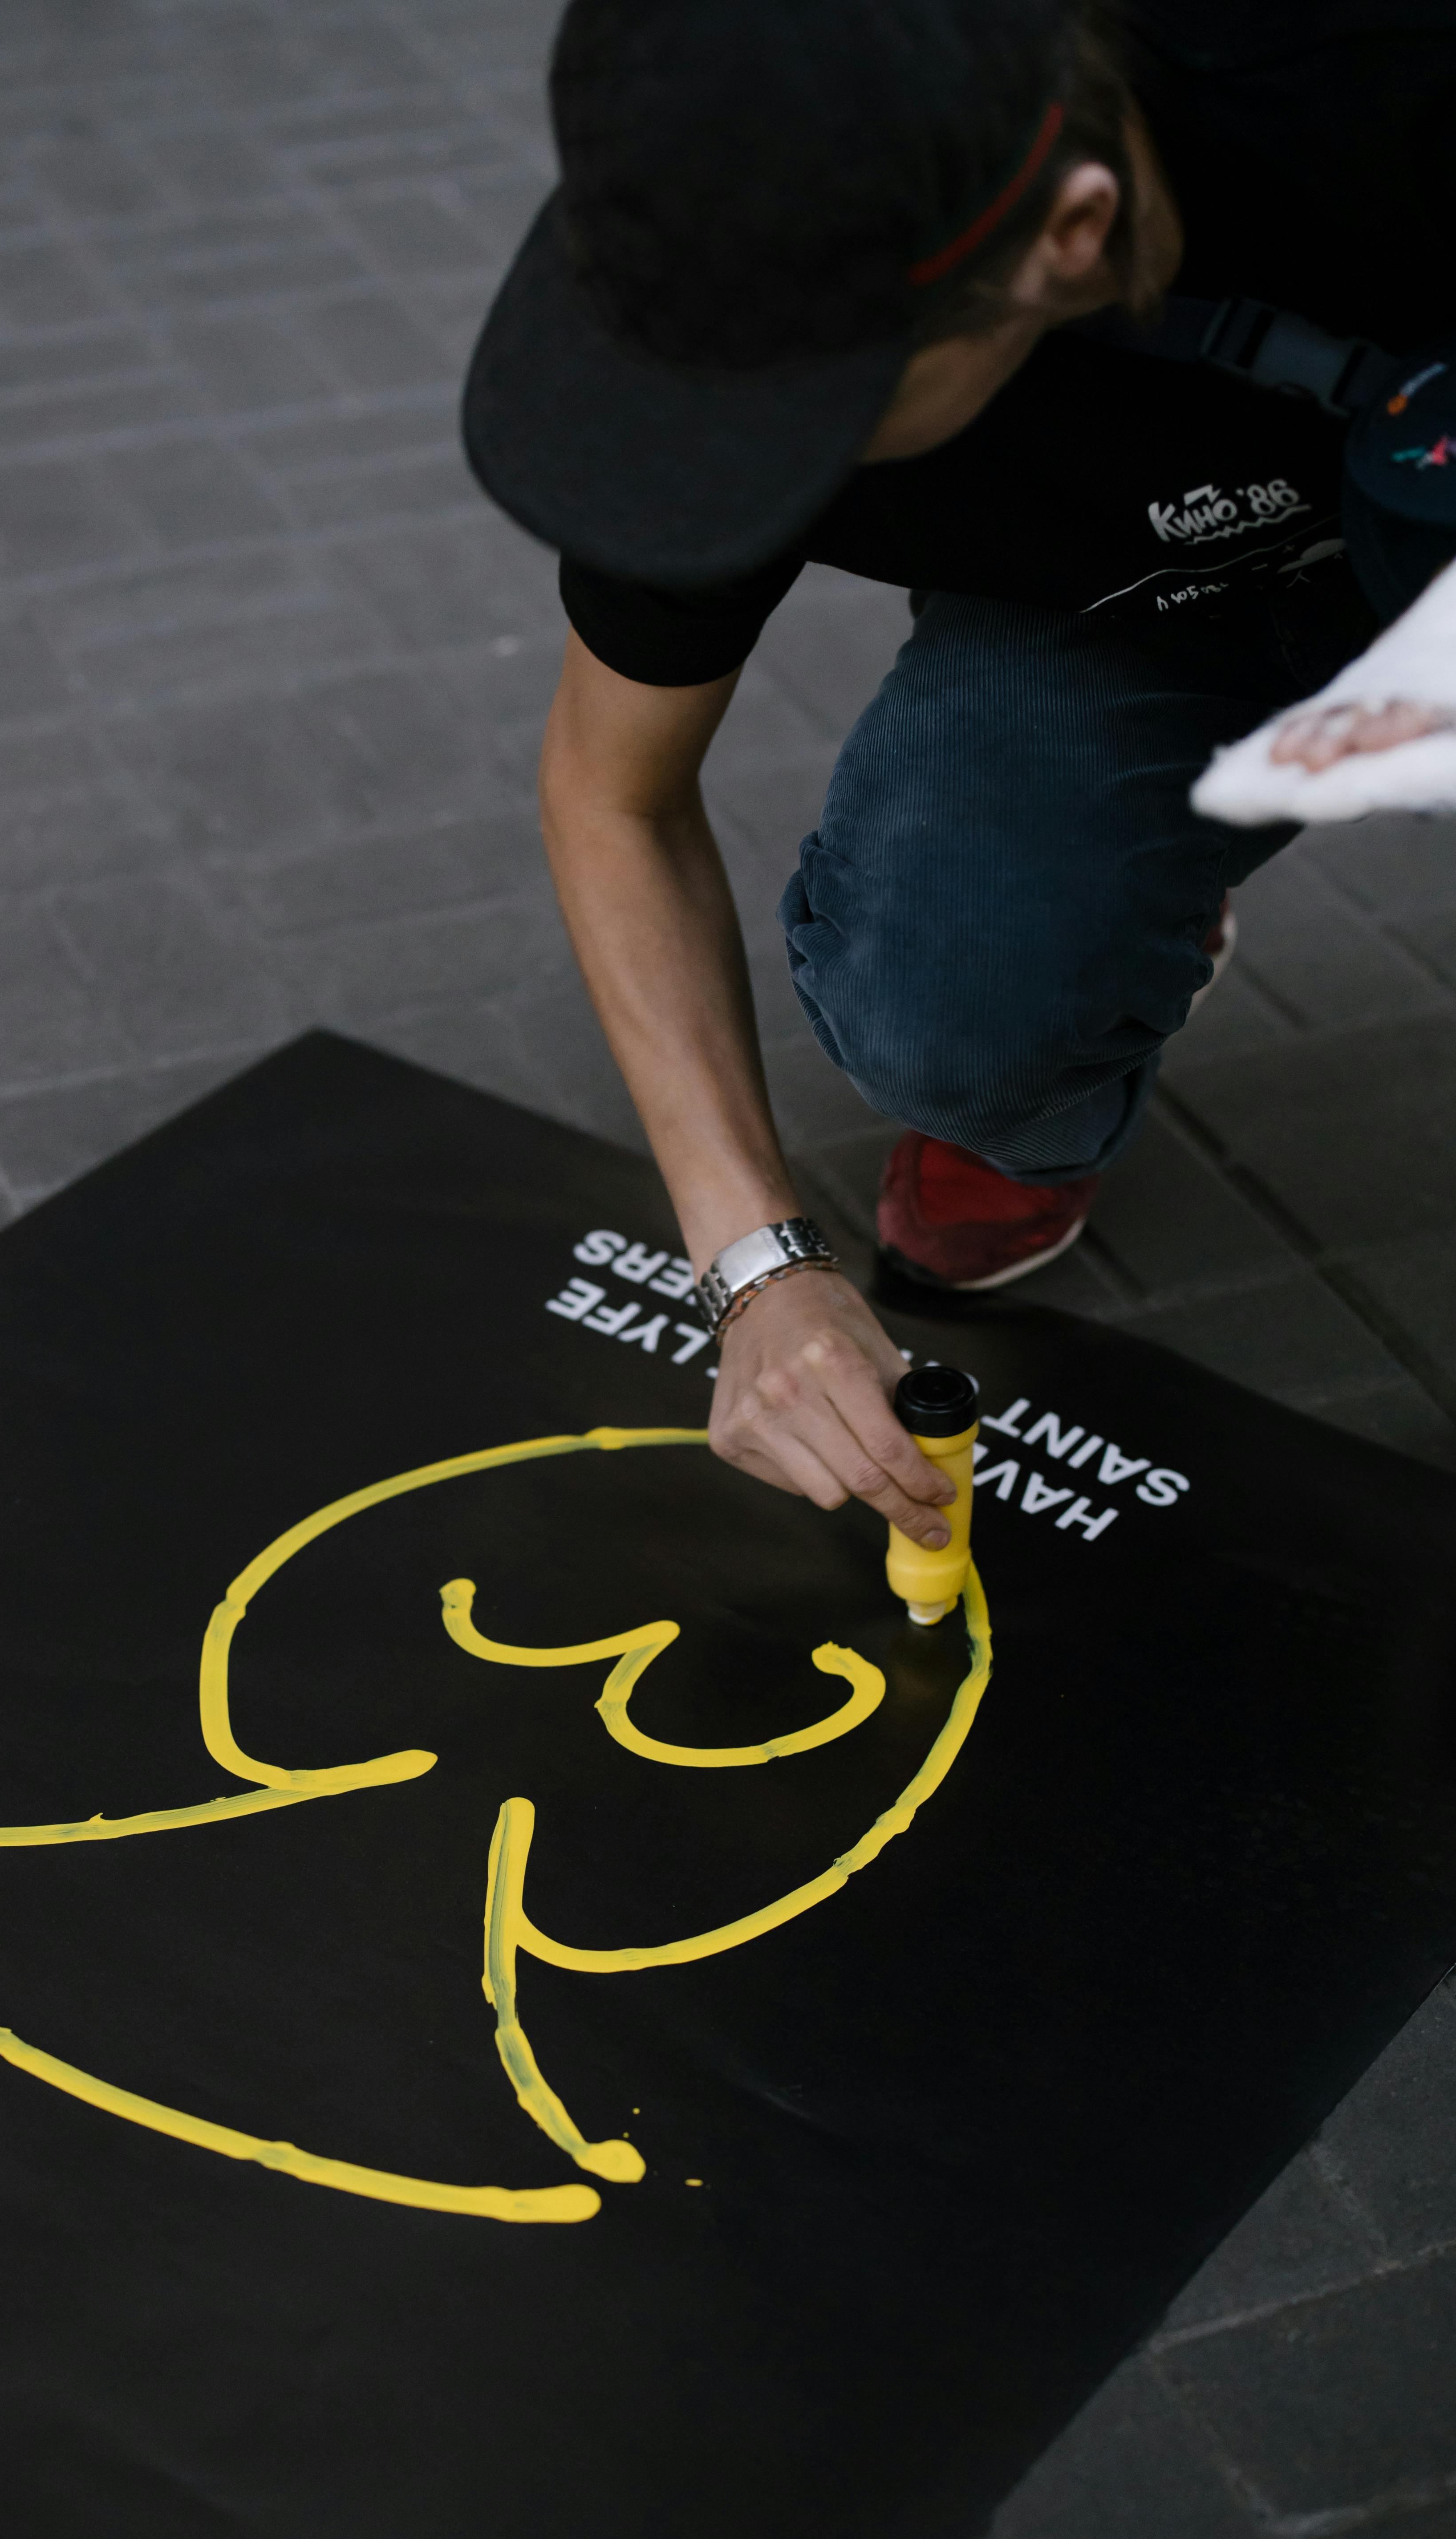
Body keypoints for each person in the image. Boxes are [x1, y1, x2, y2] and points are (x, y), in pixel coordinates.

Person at [461, 0, 1456, 1560]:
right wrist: (755, 1266)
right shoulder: (730, 272)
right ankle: (1094, 951)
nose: (732, 469)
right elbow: (612, 794)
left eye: (808, 432)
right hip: (1136, 607)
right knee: (957, 989)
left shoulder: (1374, 93)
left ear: (1072, 237)